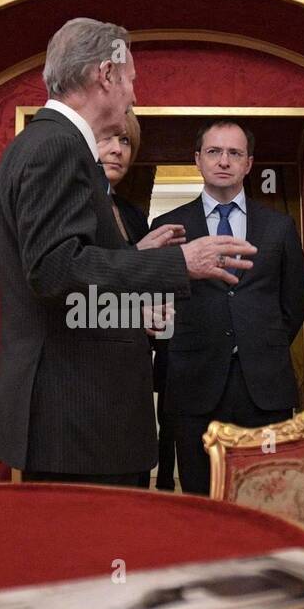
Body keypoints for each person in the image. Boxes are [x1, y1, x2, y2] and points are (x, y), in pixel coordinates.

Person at [0, 18, 256, 487]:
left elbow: (67, 293)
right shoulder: (58, 146)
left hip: (78, 423)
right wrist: (179, 262)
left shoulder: (44, 142)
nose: (134, 93)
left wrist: (136, 258)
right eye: (130, 77)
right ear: (105, 75)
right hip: (79, 420)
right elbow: (55, 272)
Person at [150, 120, 304, 496]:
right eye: (214, 152)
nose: (224, 161)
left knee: (266, 496)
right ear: (197, 160)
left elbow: (293, 305)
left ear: (249, 164)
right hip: (193, 384)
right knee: (200, 501)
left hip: (263, 388)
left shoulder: (279, 227)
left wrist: (254, 344)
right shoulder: (169, 227)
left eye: (235, 153)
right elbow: (156, 303)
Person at [97, 109, 184, 490]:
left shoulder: (133, 214)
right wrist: (133, 310)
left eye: (125, 141)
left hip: (133, 381)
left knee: (135, 506)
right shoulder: (69, 206)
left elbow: (133, 290)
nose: (116, 150)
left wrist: (156, 311)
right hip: (86, 388)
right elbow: (65, 300)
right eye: (106, 139)